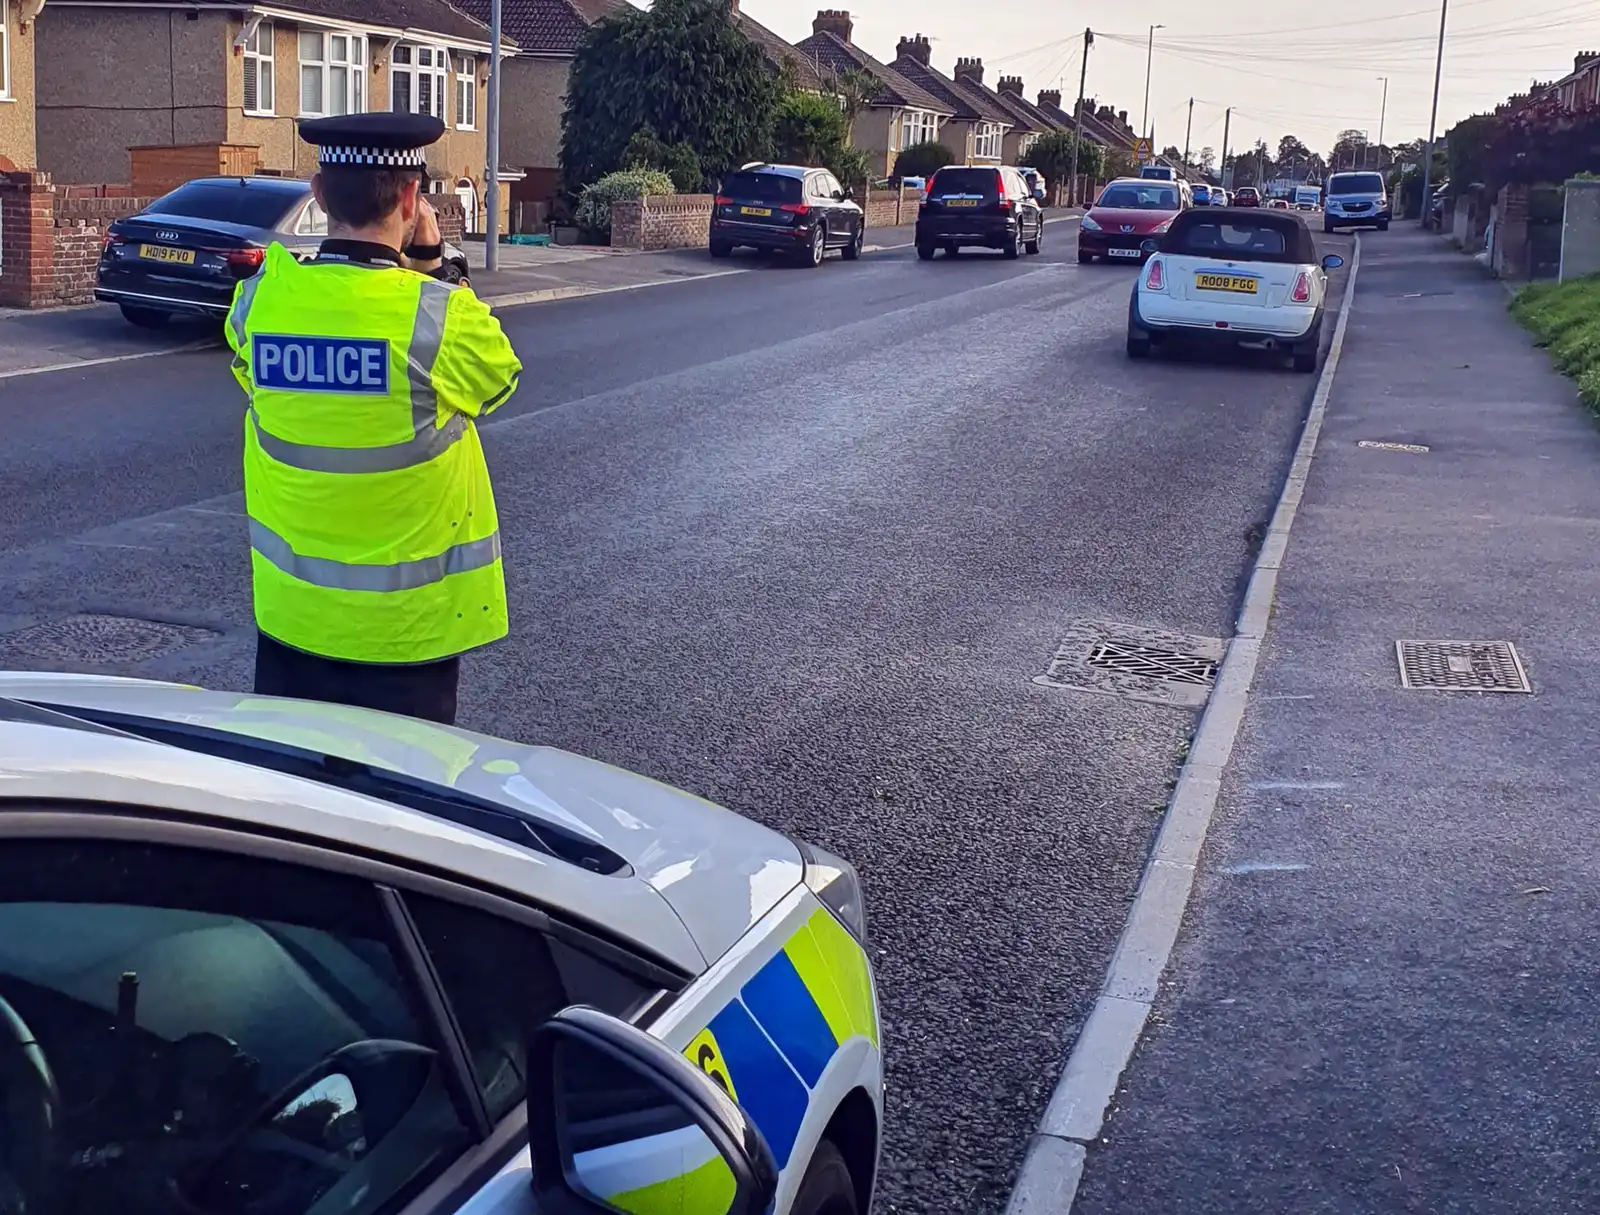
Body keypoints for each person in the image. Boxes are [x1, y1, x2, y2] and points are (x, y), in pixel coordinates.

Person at [224, 111, 522, 726]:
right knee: (395, 808)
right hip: (405, 636)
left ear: (318, 194)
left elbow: (254, 377)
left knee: (296, 807)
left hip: (293, 619)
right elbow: (499, 378)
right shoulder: (438, 318)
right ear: (412, 199)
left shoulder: (259, 301)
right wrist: (439, 267)